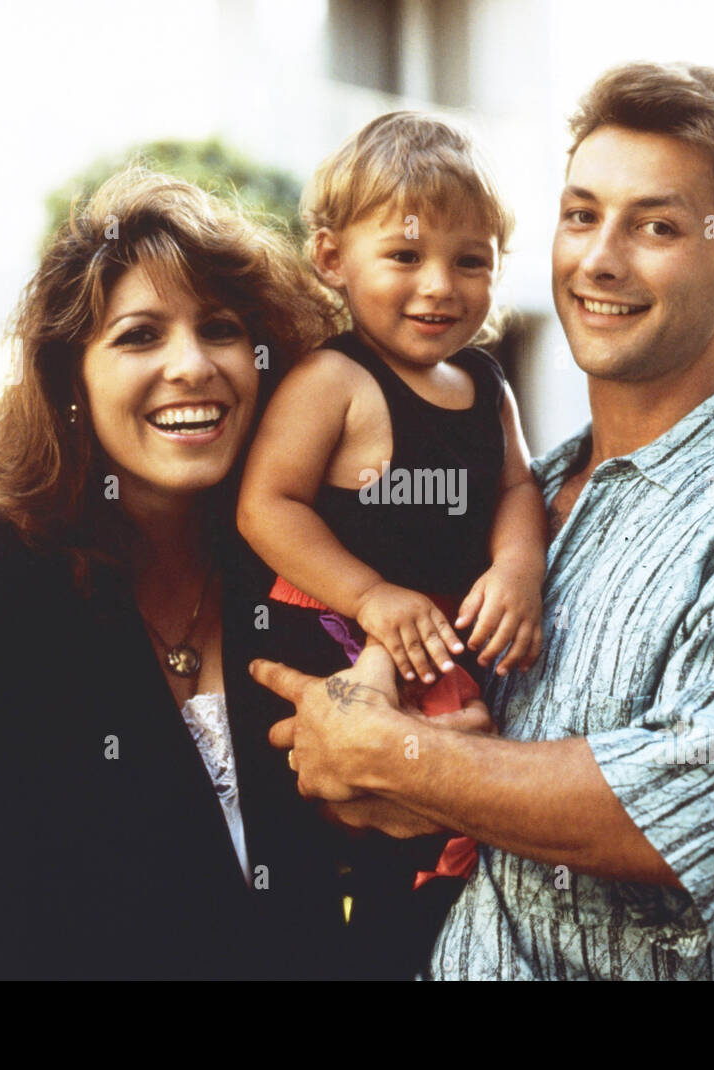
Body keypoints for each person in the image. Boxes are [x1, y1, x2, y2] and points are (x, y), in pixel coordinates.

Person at [250, 63, 714, 980]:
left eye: (657, 226)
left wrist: (392, 755)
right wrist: (351, 773)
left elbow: (682, 807)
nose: (599, 258)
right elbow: (354, 765)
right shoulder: (507, 492)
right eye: (582, 214)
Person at [0, 167, 349, 979]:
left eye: (223, 329)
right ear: (71, 380)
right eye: (139, 336)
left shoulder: (307, 579)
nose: (193, 366)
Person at [236, 112, 547, 978]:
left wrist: (519, 564)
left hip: (440, 639)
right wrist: (370, 593)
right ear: (333, 259)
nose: (439, 285)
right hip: (342, 631)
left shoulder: (487, 384)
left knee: (454, 849)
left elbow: (518, 488)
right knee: (380, 852)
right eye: (405, 256)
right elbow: (267, 507)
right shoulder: (334, 380)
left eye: (470, 260)